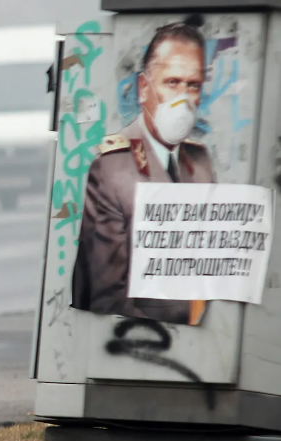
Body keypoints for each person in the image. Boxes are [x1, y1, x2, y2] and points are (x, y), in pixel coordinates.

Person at [72, 18, 215, 326]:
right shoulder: (114, 167)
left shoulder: (200, 162)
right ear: (143, 88)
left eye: (193, 86)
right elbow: (109, 294)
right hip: (150, 345)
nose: (183, 99)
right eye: (172, 83)